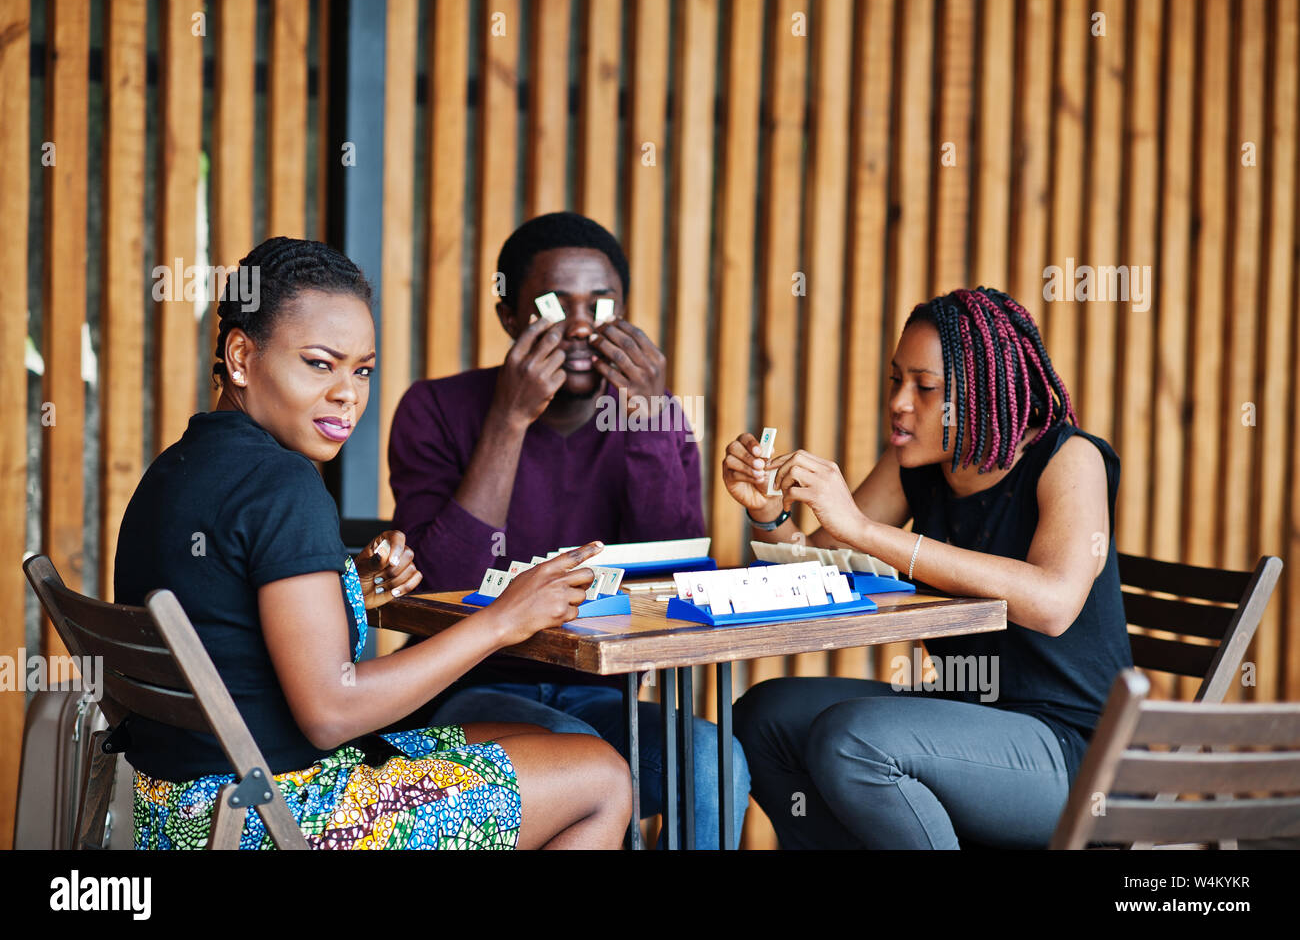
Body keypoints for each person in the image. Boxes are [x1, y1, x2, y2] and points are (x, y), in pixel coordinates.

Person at [115, 236, 632, 850]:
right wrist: (503, 620)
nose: (347, 394)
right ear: (241, 357)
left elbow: (228, 623)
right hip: (273, 813)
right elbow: (331, 711)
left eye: (361, 369)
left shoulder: (176, 470)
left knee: (515, 739)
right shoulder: (283, 485)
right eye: (318, 363)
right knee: (601, 778)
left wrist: (348, 592)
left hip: (172, 810)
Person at [389, 212, 749, 848]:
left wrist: (645, 422)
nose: (582, 325)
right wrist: (508, 419)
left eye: (602, 304)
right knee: (583, 759)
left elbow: (679, 580)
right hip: (463, 693)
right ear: (509, 317)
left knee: (711, 758)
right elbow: (439, 589)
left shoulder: (653, 420)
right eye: (555, 304)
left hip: (600, 691)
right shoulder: (435, 409)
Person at [725, 287, 1132, 849]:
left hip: (1075, 754)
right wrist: (769, 517)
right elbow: (818, 571)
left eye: (926, 387)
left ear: (986, 395)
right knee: (764, 717)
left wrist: (866, 531)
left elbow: (1053, 604)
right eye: (897, 379)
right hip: (962, 718)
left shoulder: (1069, 459)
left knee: (853, 741)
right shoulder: (917, 463)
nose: (898, 402)